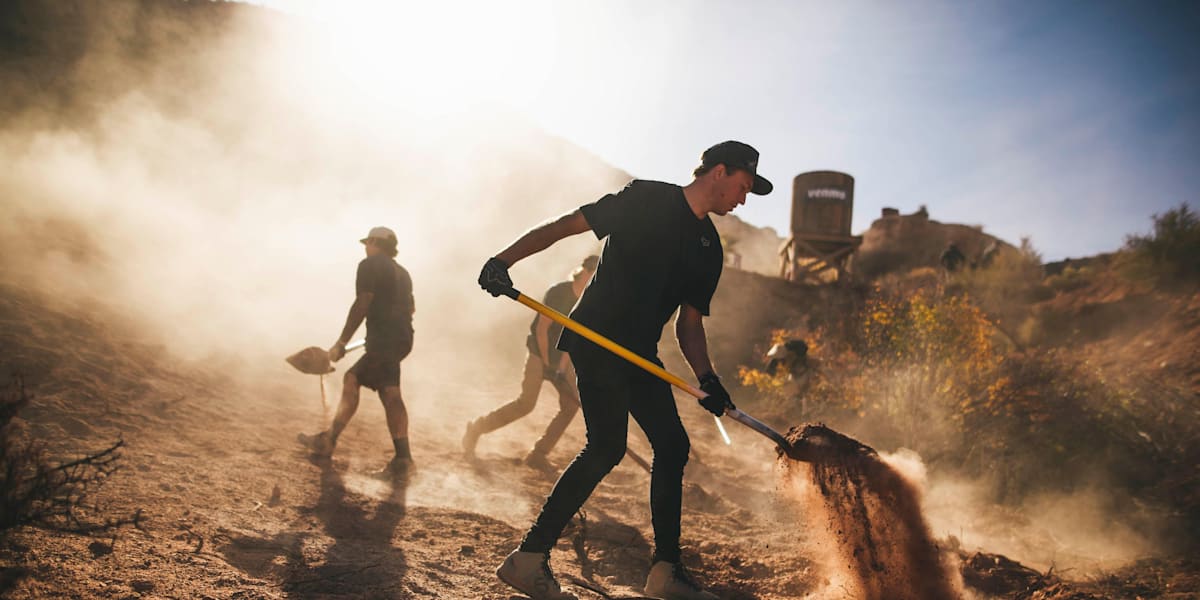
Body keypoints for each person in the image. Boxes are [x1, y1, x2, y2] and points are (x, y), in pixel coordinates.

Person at [478, 141, 773, 600]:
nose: (743, 199)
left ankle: (664, 573)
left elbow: (689, 325)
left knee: (673, 446)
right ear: (719, 172)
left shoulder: (708, 248)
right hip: (595, 338)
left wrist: (708, 379)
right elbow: (567, 225)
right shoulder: (646, 198)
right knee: (606, 447)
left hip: (639, 353)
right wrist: (503, 261)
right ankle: (529, 558)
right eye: (743, 186)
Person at [298, 226, 416, 478]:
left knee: (371, 386)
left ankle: (401, 460)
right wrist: (382, 334)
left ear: (375, 242)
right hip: (402, 338)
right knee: (374, 386)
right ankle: (399, 459)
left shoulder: (369, 265)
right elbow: (410, 309)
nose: (366, 248)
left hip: (384, 339)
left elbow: (363, 302)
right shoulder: (403, 273)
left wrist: (342, 342)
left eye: (368, 243)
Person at [462, 255, 599, 470]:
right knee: (526, 404)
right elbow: (542, 329)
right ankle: (476, 428)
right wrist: (546, 363)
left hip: (561, 356)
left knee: (570, 405)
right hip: (539, 352)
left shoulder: (590, 301)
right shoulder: (558, 292)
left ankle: (538, 454)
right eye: (593, 274)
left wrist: (561, 369)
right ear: (584, 272)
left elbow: (575, 340)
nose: (594, 280)